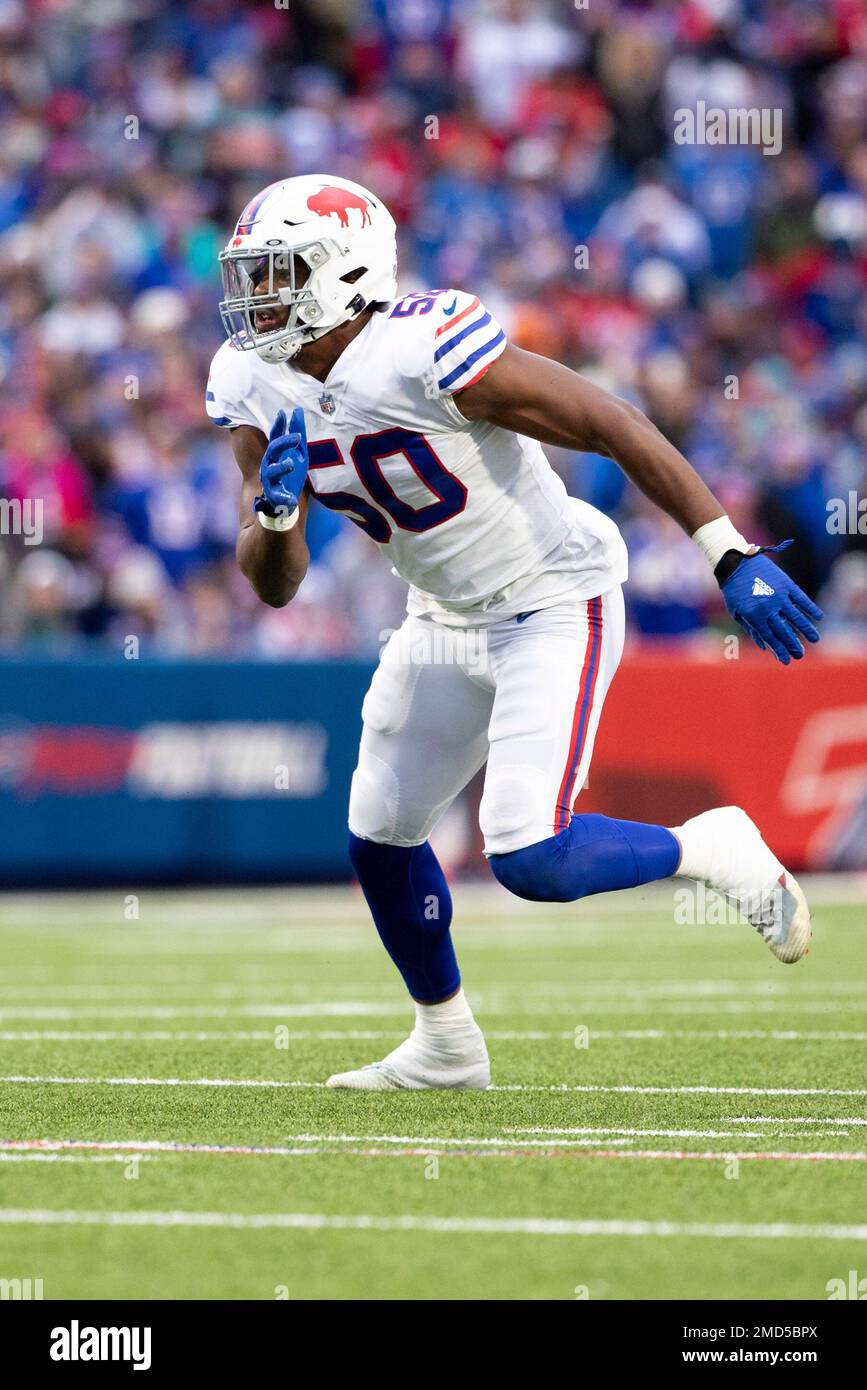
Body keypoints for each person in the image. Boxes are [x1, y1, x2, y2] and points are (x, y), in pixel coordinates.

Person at [207, 175, 823, 1090]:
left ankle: (709, 847)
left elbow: (609, 422)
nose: (256, 297)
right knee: (379, 833)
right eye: (250, 276)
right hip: (442, 616)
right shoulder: (249, 381)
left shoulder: (424, 344)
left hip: (550, 596)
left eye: (279, 273)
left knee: (531, 858)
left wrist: (727, 554)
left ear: (343, 274)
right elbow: (275, 583)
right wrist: (276, 512)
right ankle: (446, 1043)